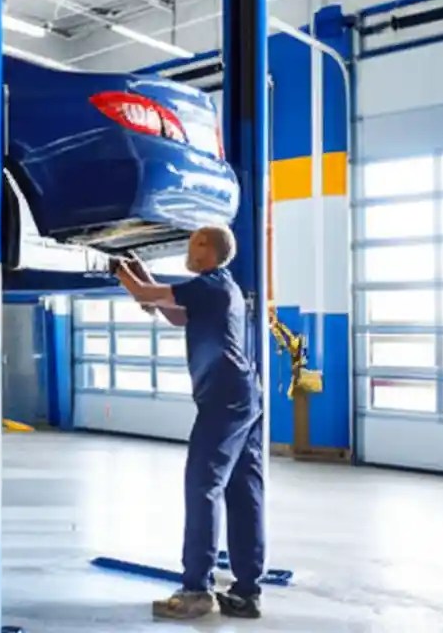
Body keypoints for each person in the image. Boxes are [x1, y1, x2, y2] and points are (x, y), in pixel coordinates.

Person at [111, 225, 265, 621]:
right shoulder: (219, 288)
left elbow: (150, 297)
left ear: (209, 250)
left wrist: (116, 268)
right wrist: (139, 275)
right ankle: (247, 592)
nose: (188, 248)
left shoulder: (209, 285)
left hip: (223, 402)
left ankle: (196, 589)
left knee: (202, 485)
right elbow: (175, 315)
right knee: (243, 490)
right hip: (243, 397)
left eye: (195, 243)